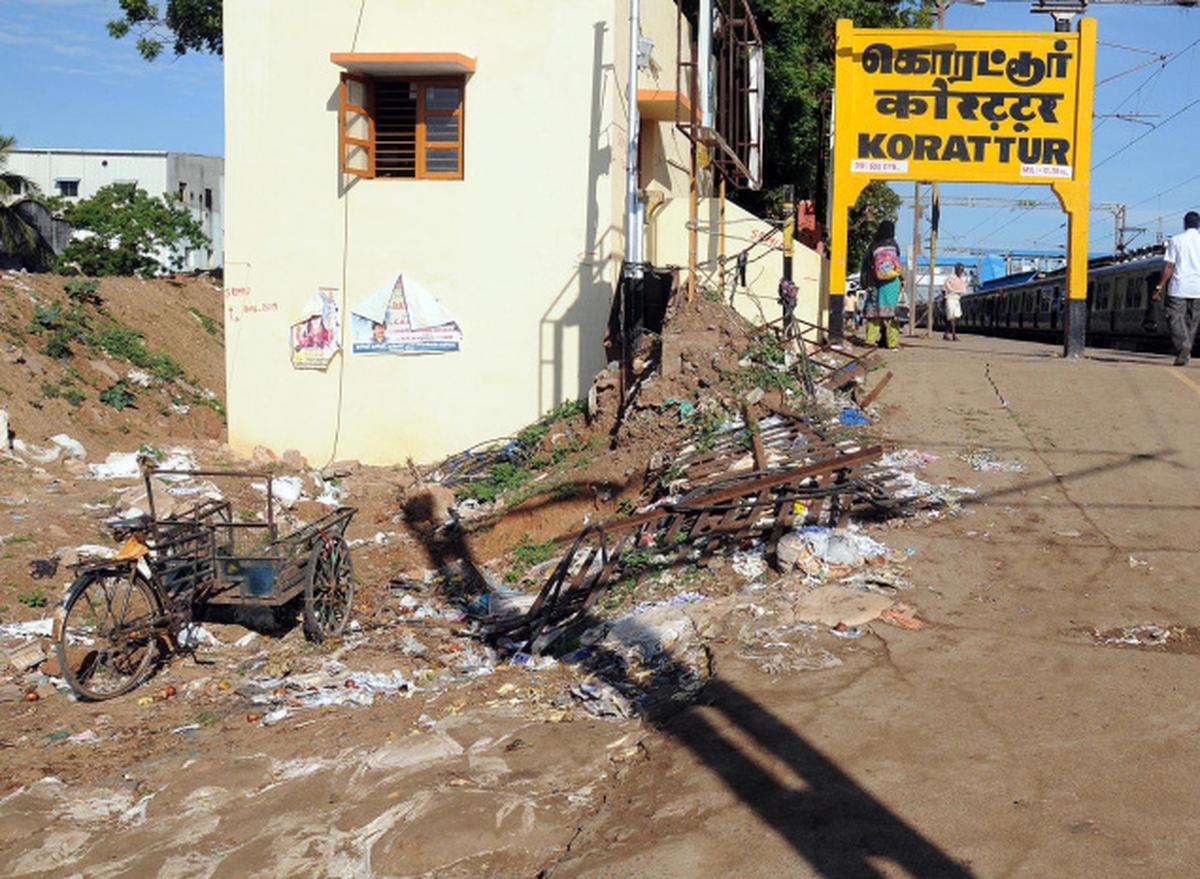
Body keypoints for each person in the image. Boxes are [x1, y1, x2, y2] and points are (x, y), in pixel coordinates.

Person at [1153, 211, 1200, 366]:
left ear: (1184, 223)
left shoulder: (1176, 240)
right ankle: (1185, 354)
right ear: (1198, 224)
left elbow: (1169, 266)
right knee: (1192, 321)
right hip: (1198, 289)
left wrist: (1160, 286)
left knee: (1174, 317)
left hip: (1179, 286)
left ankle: (1184, 347)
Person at [859, 220, 905, 349]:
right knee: (892, 315)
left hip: (875, 282)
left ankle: (870, 341)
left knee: (874, 314)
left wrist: (866, 281)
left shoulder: (873, 245)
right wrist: (903, 279)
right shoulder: (894, 245)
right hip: (891, 283)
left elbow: (867, 265)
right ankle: (892, 343)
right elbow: (897, 265)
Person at [942, 263, 967, 341]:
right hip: (950, 298)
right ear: (956, 270)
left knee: (956, 316)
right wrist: (944, 298)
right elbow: (944, 288)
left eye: (962, 270)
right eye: (959, 270)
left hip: (957, 299)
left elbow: (963, 290)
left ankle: (946, 333)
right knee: (952, 317)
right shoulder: (950, 278)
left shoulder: (963, 279)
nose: (961, 271)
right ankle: (953, 335)